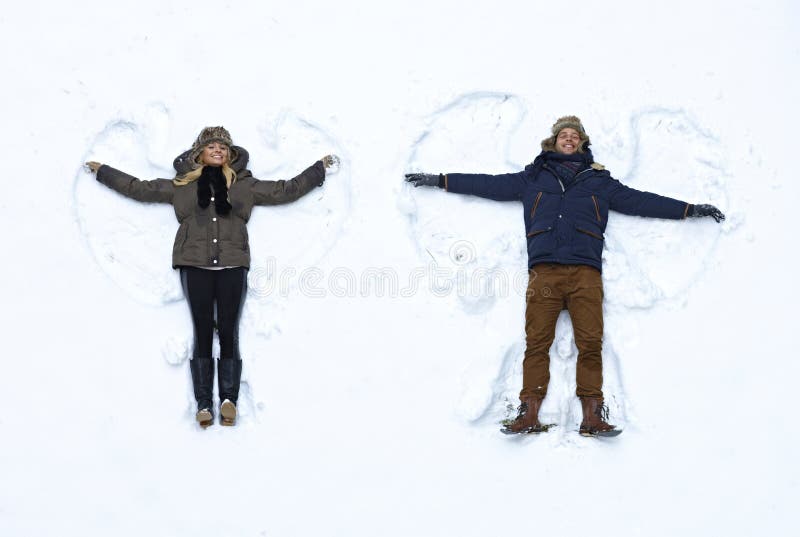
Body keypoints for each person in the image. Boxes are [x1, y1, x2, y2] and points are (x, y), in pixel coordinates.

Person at [406, 115, 724, 437]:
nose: (569, 139)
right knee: (537, 343)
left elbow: (641, 200)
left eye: (575, 136)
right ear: (554, 141)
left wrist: (688, 209)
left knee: (590, 344)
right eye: (564, 135)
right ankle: (528, 413)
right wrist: (442, 180)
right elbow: (488, 184)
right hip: (544, 272)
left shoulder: (600, 182)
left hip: (585, 273)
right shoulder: (534, 177)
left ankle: (592, 416)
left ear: (582, 143)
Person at [86, 126, 339, 428]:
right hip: (194, 266)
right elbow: (139, 188)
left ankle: (228, 399)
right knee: (203, 332)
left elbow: (286, 190)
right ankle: (204, 404)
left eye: (223, 146)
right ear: (200, 153)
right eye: (211, 146)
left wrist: (317, 169)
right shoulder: (182, 185)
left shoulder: (245, 185)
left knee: (229, 331)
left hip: (232, 266)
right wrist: (103, 171)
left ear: (230, 154)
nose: (218, 150)